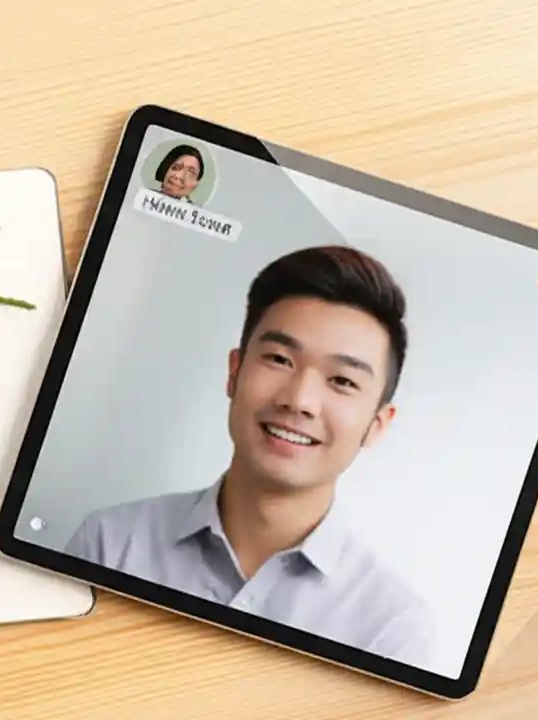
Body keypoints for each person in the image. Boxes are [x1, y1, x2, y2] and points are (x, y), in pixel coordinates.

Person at [65, 244, 435, 668]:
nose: (300, 400)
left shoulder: (391, 628)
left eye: (342, 381)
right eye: (280, 359)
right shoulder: (111, 544)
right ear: (234, 372)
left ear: (377, 424)